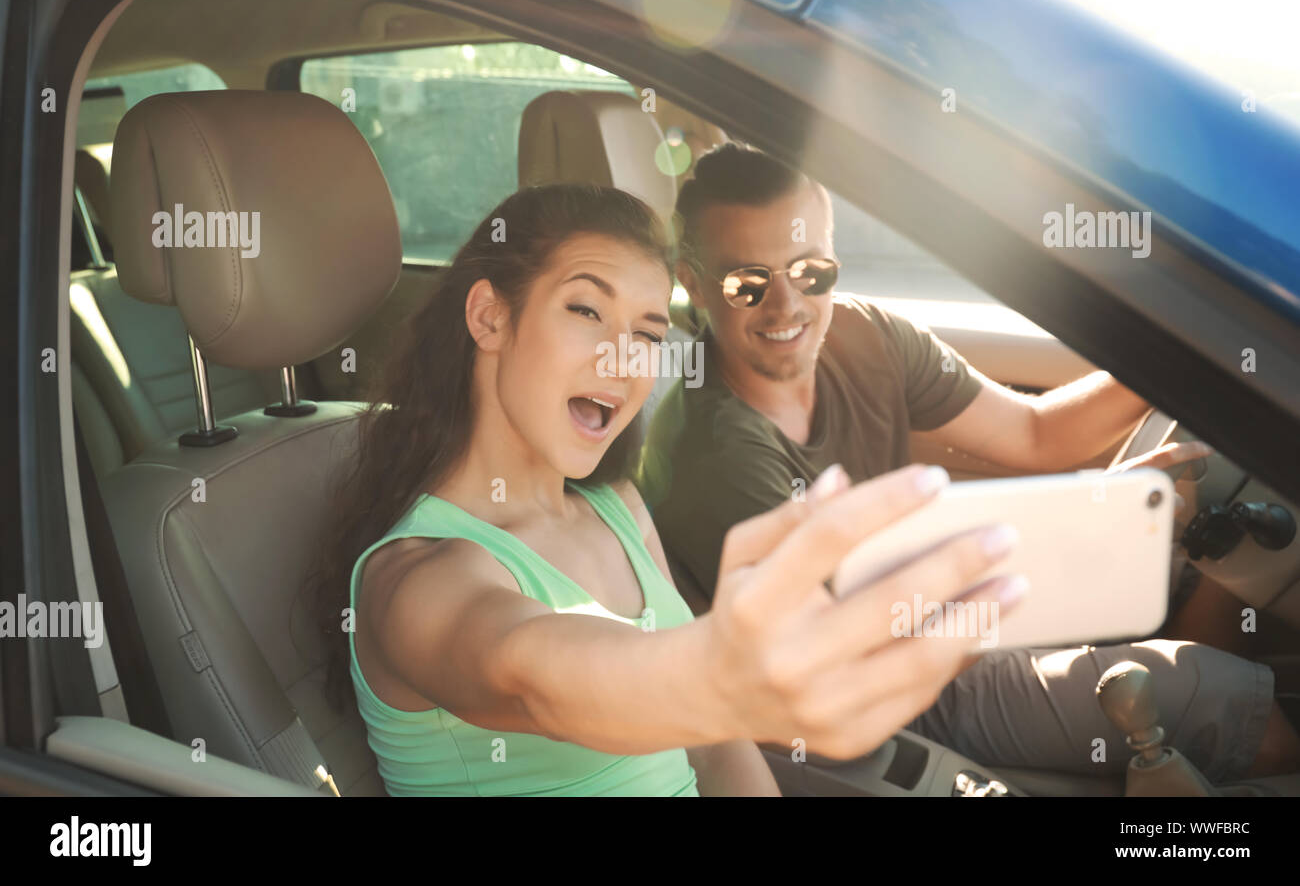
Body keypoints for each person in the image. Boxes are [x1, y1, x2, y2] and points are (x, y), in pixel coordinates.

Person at [310, 183, 1025, 796]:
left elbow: (713, 746)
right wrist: (721, 673)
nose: (623, 358)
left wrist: (720, 696)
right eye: (586, 311)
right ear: (490, 317)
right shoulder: (418, 581)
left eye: (648, 334)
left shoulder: (617, 510)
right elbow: (534, 675)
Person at [638, 142, 1300, 783]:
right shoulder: (714, 451)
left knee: (1212, 597)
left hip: (949, 621)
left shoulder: (863, 335)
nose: (787, 306)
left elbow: (1036, 434)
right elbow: (853, 652)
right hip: (905, 682)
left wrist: (1179, 359)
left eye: (811, 272)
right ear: (693, 282)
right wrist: (1080, 528)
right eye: (748, 284)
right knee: (1258, 728)